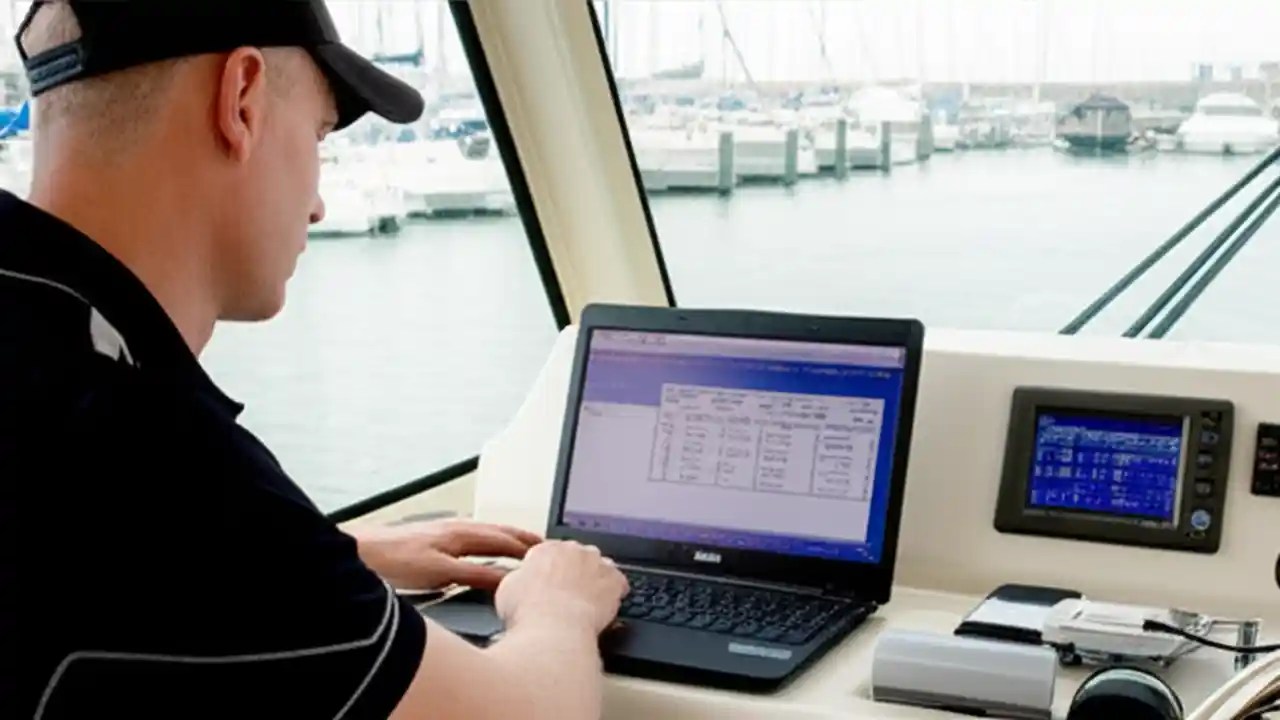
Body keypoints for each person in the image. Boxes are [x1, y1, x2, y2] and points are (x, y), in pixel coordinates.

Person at [0, 1, 629, 718]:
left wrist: (329, 555)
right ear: (241, 99)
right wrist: (558, 605)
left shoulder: (45, 358)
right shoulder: (150, 451)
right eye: (321, 134)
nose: (319, 204)